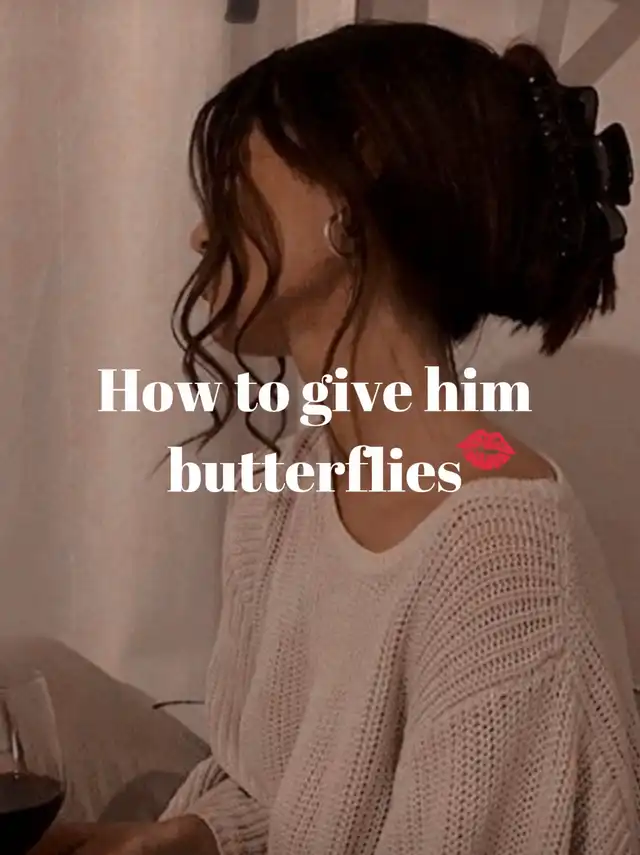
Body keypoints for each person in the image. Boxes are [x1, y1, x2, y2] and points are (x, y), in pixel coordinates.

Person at [31, 19, 640, 855]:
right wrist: (193, 837)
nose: (202, 234)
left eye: (236, 181)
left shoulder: (498, 556)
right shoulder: (292, 484)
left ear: (350, 198)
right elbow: (271, 788)